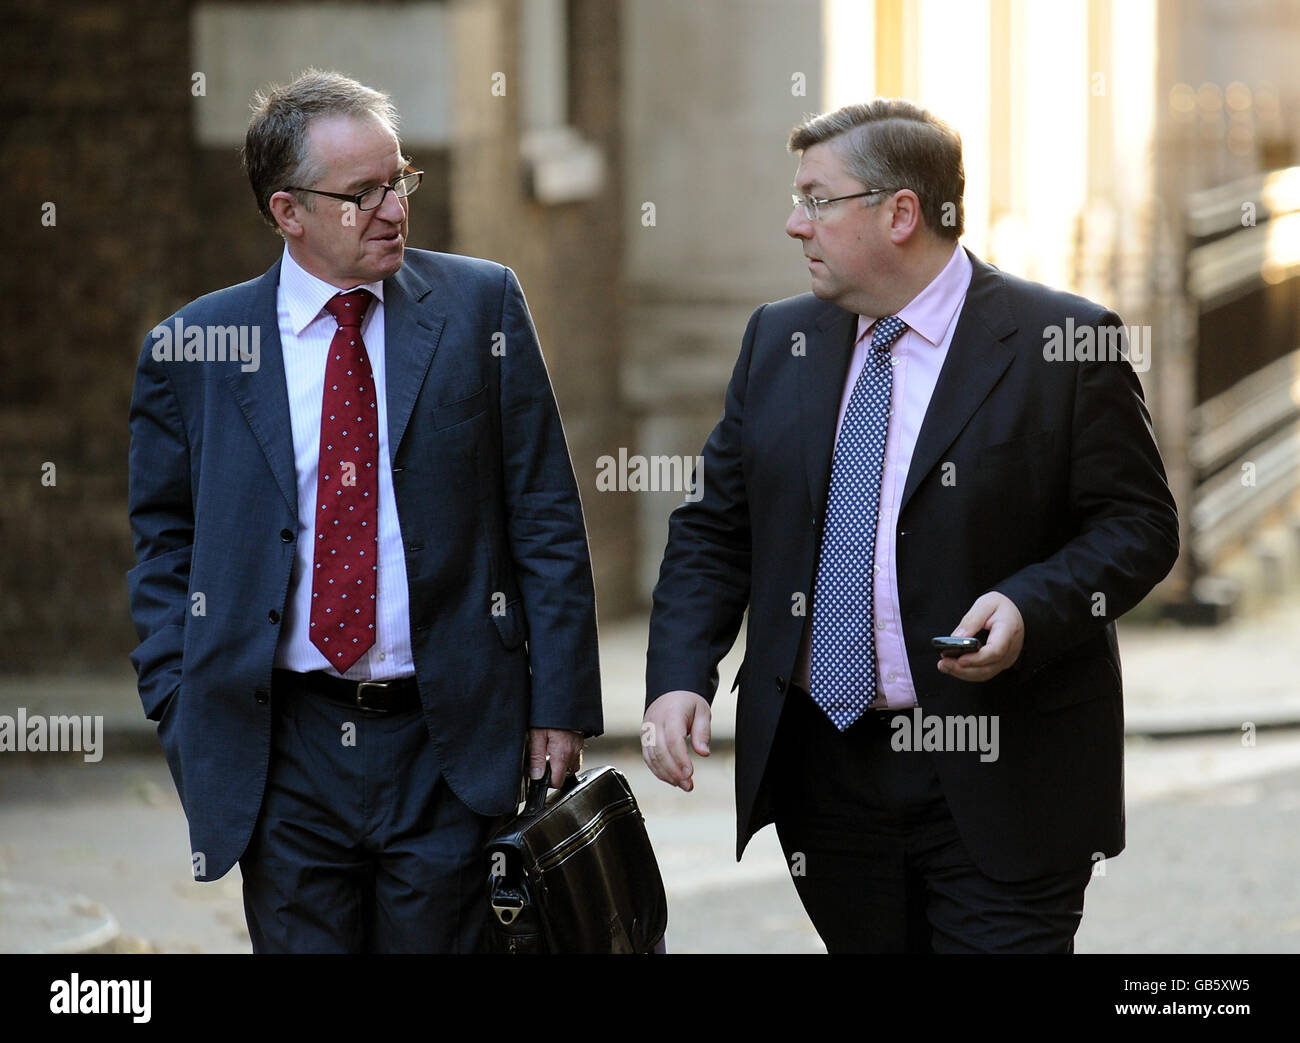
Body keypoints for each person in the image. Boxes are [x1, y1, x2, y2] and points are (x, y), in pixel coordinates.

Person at [642, 99, 1179, 953]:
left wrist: (1033, 605)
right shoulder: (779, 340)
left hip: (1004, 768)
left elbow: (1139, 526)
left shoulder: (1063, 341)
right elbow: (718, 526)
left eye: (817, 200)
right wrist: (678, 674)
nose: (793, 223)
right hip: (827, 775)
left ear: (900, 213)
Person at [126, 70, 601, 953]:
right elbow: (165, 543)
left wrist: (560, 704)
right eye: (361, 194)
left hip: (447, 737)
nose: (391, 209)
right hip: (283, 744)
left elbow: (544, 510)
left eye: (399, 181)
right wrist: (178, 699)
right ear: (287, 211)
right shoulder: (195, 347)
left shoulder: (479, 306)